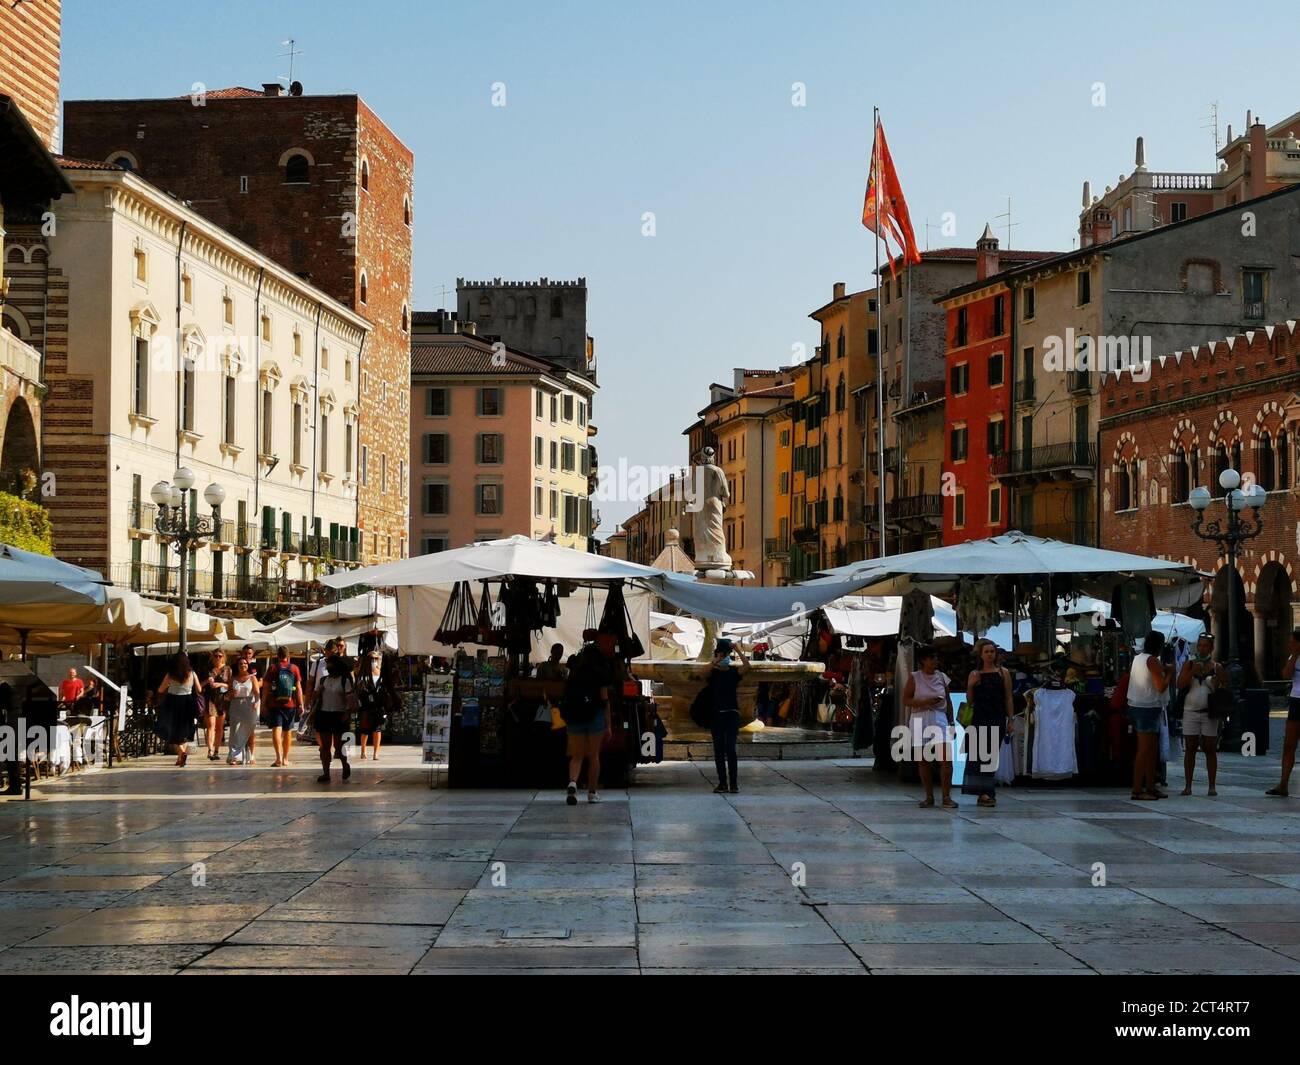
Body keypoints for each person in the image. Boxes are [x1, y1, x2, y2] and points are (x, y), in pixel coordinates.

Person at [561, 629, 614, 804]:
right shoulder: (601, 672)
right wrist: (608, 725)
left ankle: (573, 782)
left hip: (575, 714)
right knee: (593, 756)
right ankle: (592, 793)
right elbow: (605, 701)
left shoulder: (575, 670)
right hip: (594, 715)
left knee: (576, 756)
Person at [903, 645, 955, 808]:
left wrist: (951, 721)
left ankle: (946, 796)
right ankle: (929, 796)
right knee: (923, 759)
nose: (935, 661)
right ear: (923, 661)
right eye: (931, 658)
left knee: (946, 759)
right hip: (919, 717)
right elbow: (906, 700)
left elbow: (948, 700)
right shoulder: (914, 677)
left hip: (938, 717)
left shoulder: (942, 677)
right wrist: (924, 702)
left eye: (936, 658)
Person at [964, 638, 1014, 808]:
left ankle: (986, 791)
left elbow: (1008, 697)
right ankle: (983, 792)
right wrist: (971, 686)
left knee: (991, 755)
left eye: (992, 651)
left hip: (997, 717)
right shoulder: (974, 674)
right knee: (978, 755)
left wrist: (1010, 719)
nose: (990, 655)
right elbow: (969, 701)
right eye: (986, 652)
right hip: (979, 717)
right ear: (981, 654)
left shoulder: (1003, 673)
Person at [1178, 632, 1225, 796]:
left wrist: (1217, 676)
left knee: (1210, 748)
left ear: (1211, 648)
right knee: (1190, 747)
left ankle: (1212, 785)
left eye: (1206, 646)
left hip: (1209, 713)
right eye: (1200, 645)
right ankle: (1188, 785)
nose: (1202, 648)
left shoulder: (1216, 666)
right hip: (1190, 711)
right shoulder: (1189, 665)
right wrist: (1192, 672)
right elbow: (1180, 684)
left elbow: (1223, 687)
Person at [1127, 630, 1171, 801]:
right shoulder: (1152, 660)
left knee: (1151, 749)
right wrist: (1169, 674)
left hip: (1139, 705)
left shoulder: (1138, 658)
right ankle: (1137, 790)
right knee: (1145, 750)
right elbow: (1160, 687)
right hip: (1147, 707)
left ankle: (1151, 786)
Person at [707, 638, 748, 794]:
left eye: (726, 655)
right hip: (716, 715)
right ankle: (722, 783)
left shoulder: (733, 673)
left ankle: (734, 783)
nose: (724, 658)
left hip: (732, 715)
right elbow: (700, 673)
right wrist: (715, 661)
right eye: (721, 655)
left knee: (730, 749)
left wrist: (737, 650)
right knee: (718, 751)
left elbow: (747, 666)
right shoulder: (713, 673)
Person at [310, 653, 355, 783]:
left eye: (331, 664)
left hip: (339, 715)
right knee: (325, 746)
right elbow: (315, 697)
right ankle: (326, 772)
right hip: (324, 714)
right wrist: (318, 692)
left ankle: (345, 764)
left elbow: (350, 701)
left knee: (339, 745)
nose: (329, 667)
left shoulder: (344, 681)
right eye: (328, 664)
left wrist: (347, 714)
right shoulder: (323, 680)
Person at [153, 653, 201, 767]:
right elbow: (199, 689)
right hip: (188, 703)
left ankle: (182, 753)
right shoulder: (192, 673)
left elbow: (161, 689)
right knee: (184, 731)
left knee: (172, 730)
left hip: (173, 702)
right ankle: (180, 758)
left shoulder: (171, 674)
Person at [1268, 628, 1300, 797]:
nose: (1289, 644)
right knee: (1289, 745)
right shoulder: (1293, 657)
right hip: (1296, 701)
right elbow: (1286, 675)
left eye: (1292, 642)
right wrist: (1294, 656)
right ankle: (1283, 784)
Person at [262, 647, 304, 768]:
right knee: (288, 731)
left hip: (275, 704)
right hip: (290, 704)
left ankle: (278, 758)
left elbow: (265, 688)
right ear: (288, 655)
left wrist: (264, 704)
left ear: (277, 655)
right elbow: (298, 688)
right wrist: (301, 704)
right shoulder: (294, 668)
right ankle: (285, 758)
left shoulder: (272, 668)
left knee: (276, 729)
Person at [356, 651, 393, 760]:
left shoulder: (380, 672)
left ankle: (376, 753)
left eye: (376, 658)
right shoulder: (363, 673)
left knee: (377, 729)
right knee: (365, 729)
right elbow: (358, 689)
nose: (374, 660)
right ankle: (363, 751)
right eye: (372, 658)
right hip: (366, 705)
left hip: (378, 705)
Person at [226, 655, 260, 765]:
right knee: (235, 731)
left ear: (248, 665)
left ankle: (251, 754)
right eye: (240, 664)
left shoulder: (252, 678)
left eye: (245, 663)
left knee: (250, 731)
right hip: (236, 705)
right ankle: (235, 756)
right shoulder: (233, 679)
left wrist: (257, 702)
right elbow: (228, 695)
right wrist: (232, 694)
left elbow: (256, 692)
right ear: (237, 666)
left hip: (249, 705)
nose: (243, 665)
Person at [202, 649, 232, 762]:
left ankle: (216, 751)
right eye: (216, 656)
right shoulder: (207, 669)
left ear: (224, 657)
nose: (218, 658)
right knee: (210, 725)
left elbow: (231, 686)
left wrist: (219, 684)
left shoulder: (228, 669)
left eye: (220, 656)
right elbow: (199, 685)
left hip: (222, 699)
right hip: (210, 699)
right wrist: (207, 681)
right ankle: (210, 750)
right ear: (212, 657)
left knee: (220, 727)